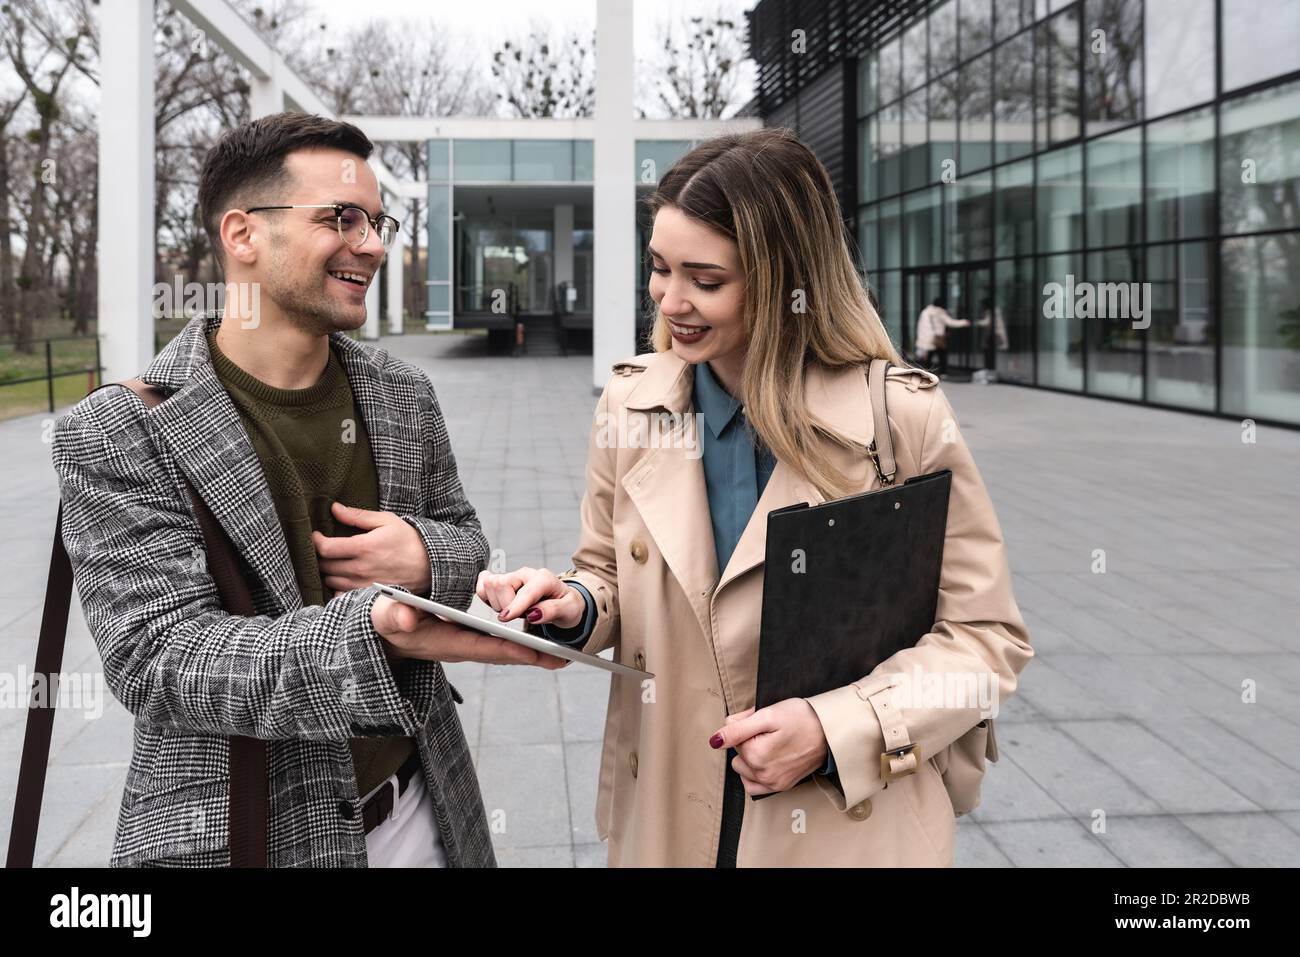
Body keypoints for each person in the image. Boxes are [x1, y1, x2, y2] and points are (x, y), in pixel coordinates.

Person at [476, 128, 1033, 867]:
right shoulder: (631, 403)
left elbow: (985, 643)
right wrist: (573, 603)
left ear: (785, 279)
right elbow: (607, 573)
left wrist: (836, 730)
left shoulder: (902, 420)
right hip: (667, 823)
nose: (671, 300)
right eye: (658, 268)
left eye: (705, 280)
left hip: (844, 829)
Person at [50, 112, 564, 868]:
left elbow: (467, 539)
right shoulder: (117, 429)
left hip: (424, 809)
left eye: (378, 220)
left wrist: (424, 556)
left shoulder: (402, 393)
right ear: (243, 234)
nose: (374, 244)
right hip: (244, 835)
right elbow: (158, 659)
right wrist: (372, 626)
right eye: (341, 218)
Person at [915, 296, 969, 376]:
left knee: (929, 357)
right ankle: (943, 372)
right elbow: (950, 322)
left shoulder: (925, 312)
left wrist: (922, 338)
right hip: (938, 338)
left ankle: (927, 373)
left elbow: (921, 326)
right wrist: (964, 322)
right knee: (942, 356)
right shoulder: (940, 312)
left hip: (927, 339)